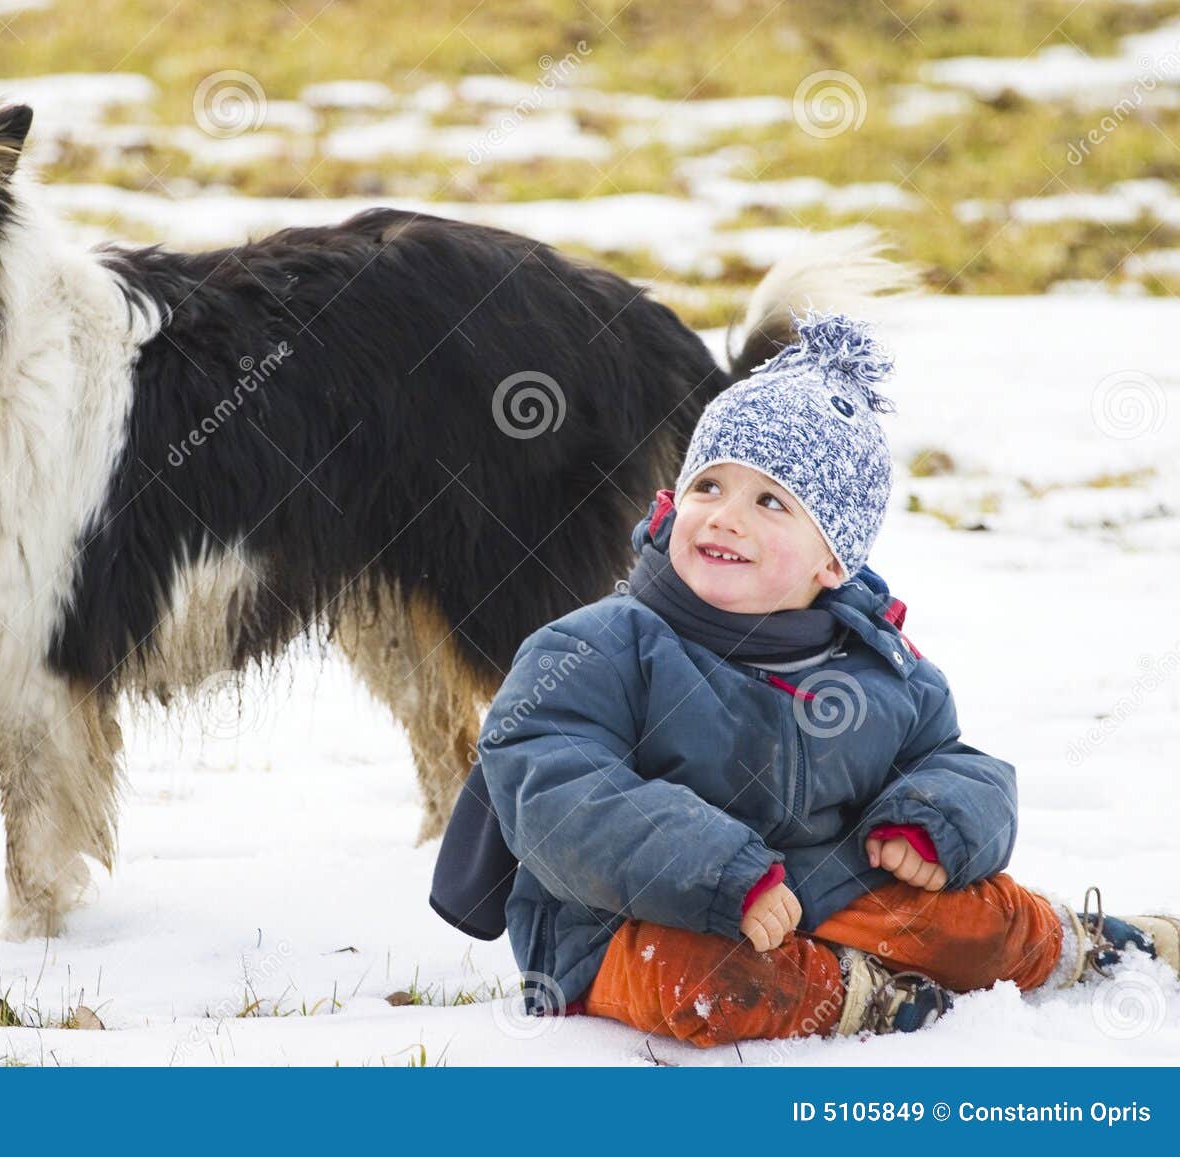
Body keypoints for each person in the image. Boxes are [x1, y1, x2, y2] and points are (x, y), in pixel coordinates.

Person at [436, 311, 1179, 1046]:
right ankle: (863, 997)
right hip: (624, 925)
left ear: (832, 560)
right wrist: (716, 870)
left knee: (979, 921)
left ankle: (1081, 947)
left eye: (770, 501)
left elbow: (953, 761)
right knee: (704, 981)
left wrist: (931, 821)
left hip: (826, 893)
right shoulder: (598, 647)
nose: (725, 517)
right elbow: (554, 784)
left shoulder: (877, 663)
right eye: (709, 487)